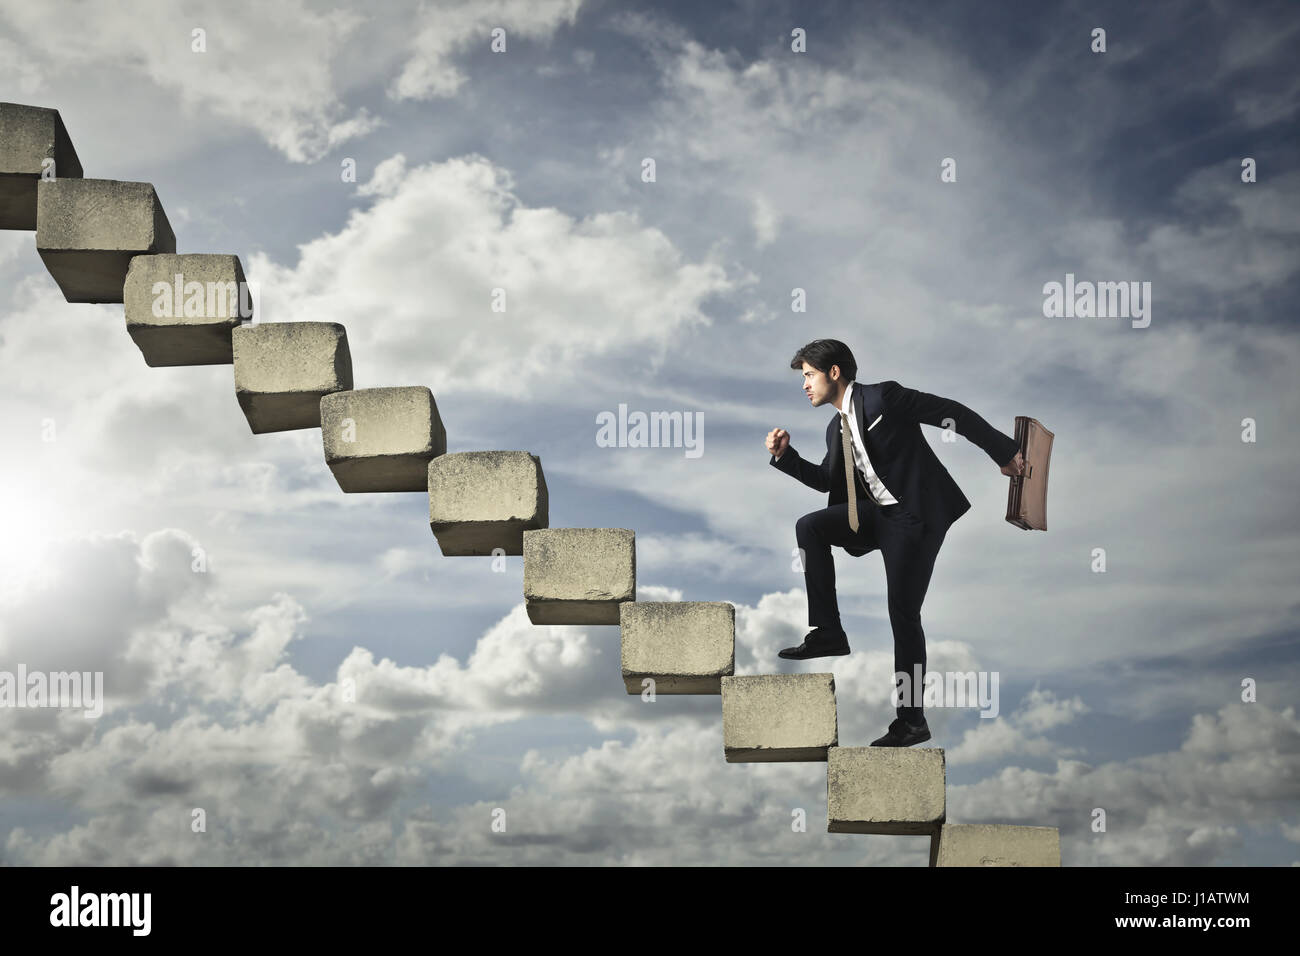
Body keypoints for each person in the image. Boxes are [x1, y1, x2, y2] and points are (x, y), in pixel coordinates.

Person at [765, 339, 1024, 747]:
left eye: (809, 375)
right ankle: (829, 631)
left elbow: (950, 413)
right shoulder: (836, 428)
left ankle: (911, 721)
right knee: (810, 526)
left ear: (835, 372)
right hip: (875, 518)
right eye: (802, 378)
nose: (805, 385)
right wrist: (786, 457)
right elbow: (827, 482)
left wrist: (1002, 451)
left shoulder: (884, 397)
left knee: (903, 615)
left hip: (914, 517)